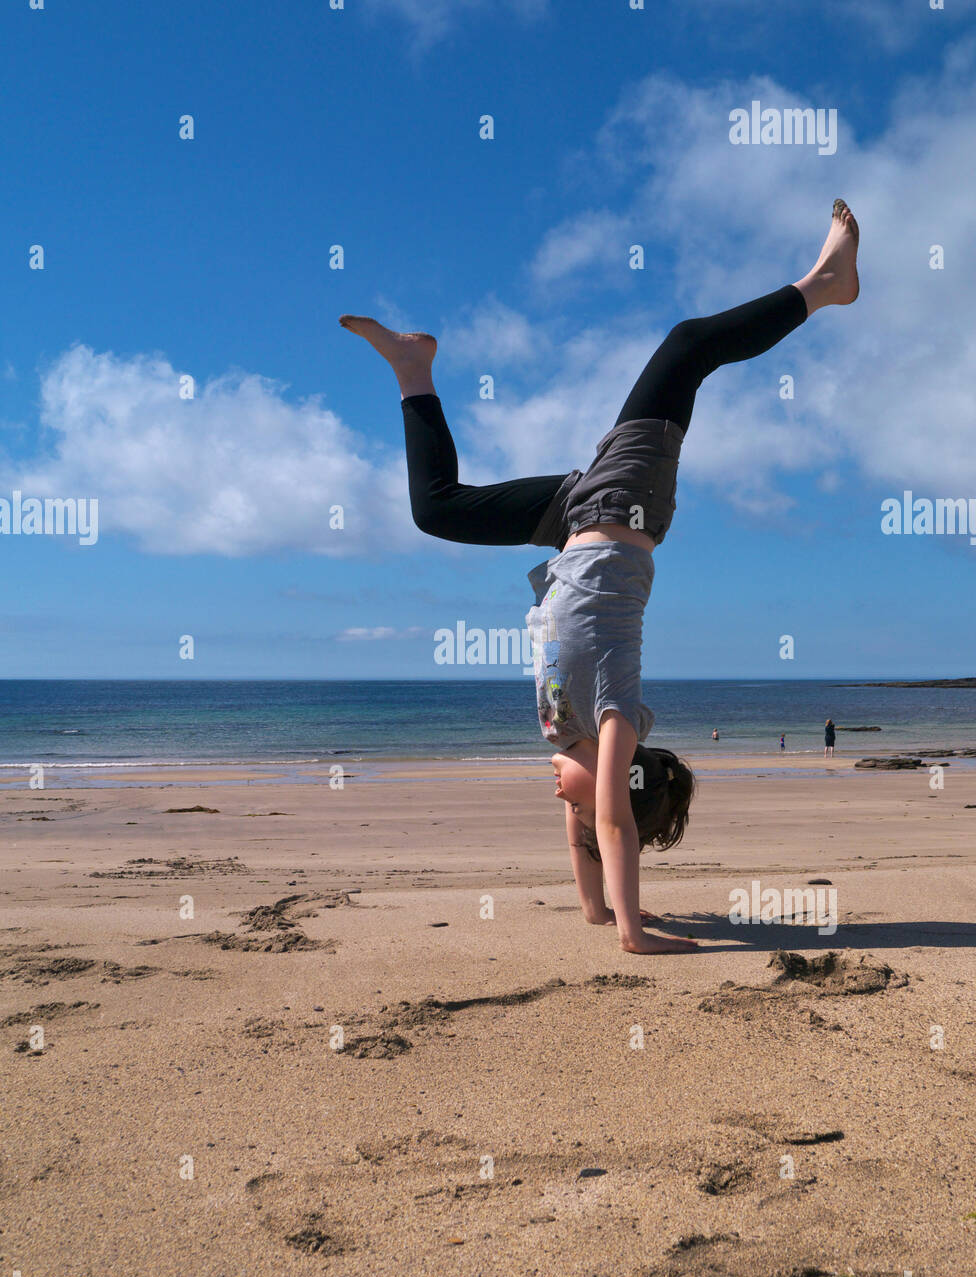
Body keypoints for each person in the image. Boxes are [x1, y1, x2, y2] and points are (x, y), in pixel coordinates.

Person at [340, 200, 859, 954]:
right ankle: (824, 283)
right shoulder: (615, 720)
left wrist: (595, 904)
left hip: (572, 519)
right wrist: (632, 931)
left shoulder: (562, 734)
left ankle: (413, 371)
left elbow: (592, 827)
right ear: (624, 784)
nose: (565, 800)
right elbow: (613, 819)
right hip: (626, 508)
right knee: (686, 347)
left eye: (574, 812)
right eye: (584, 806)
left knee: (437, 511)